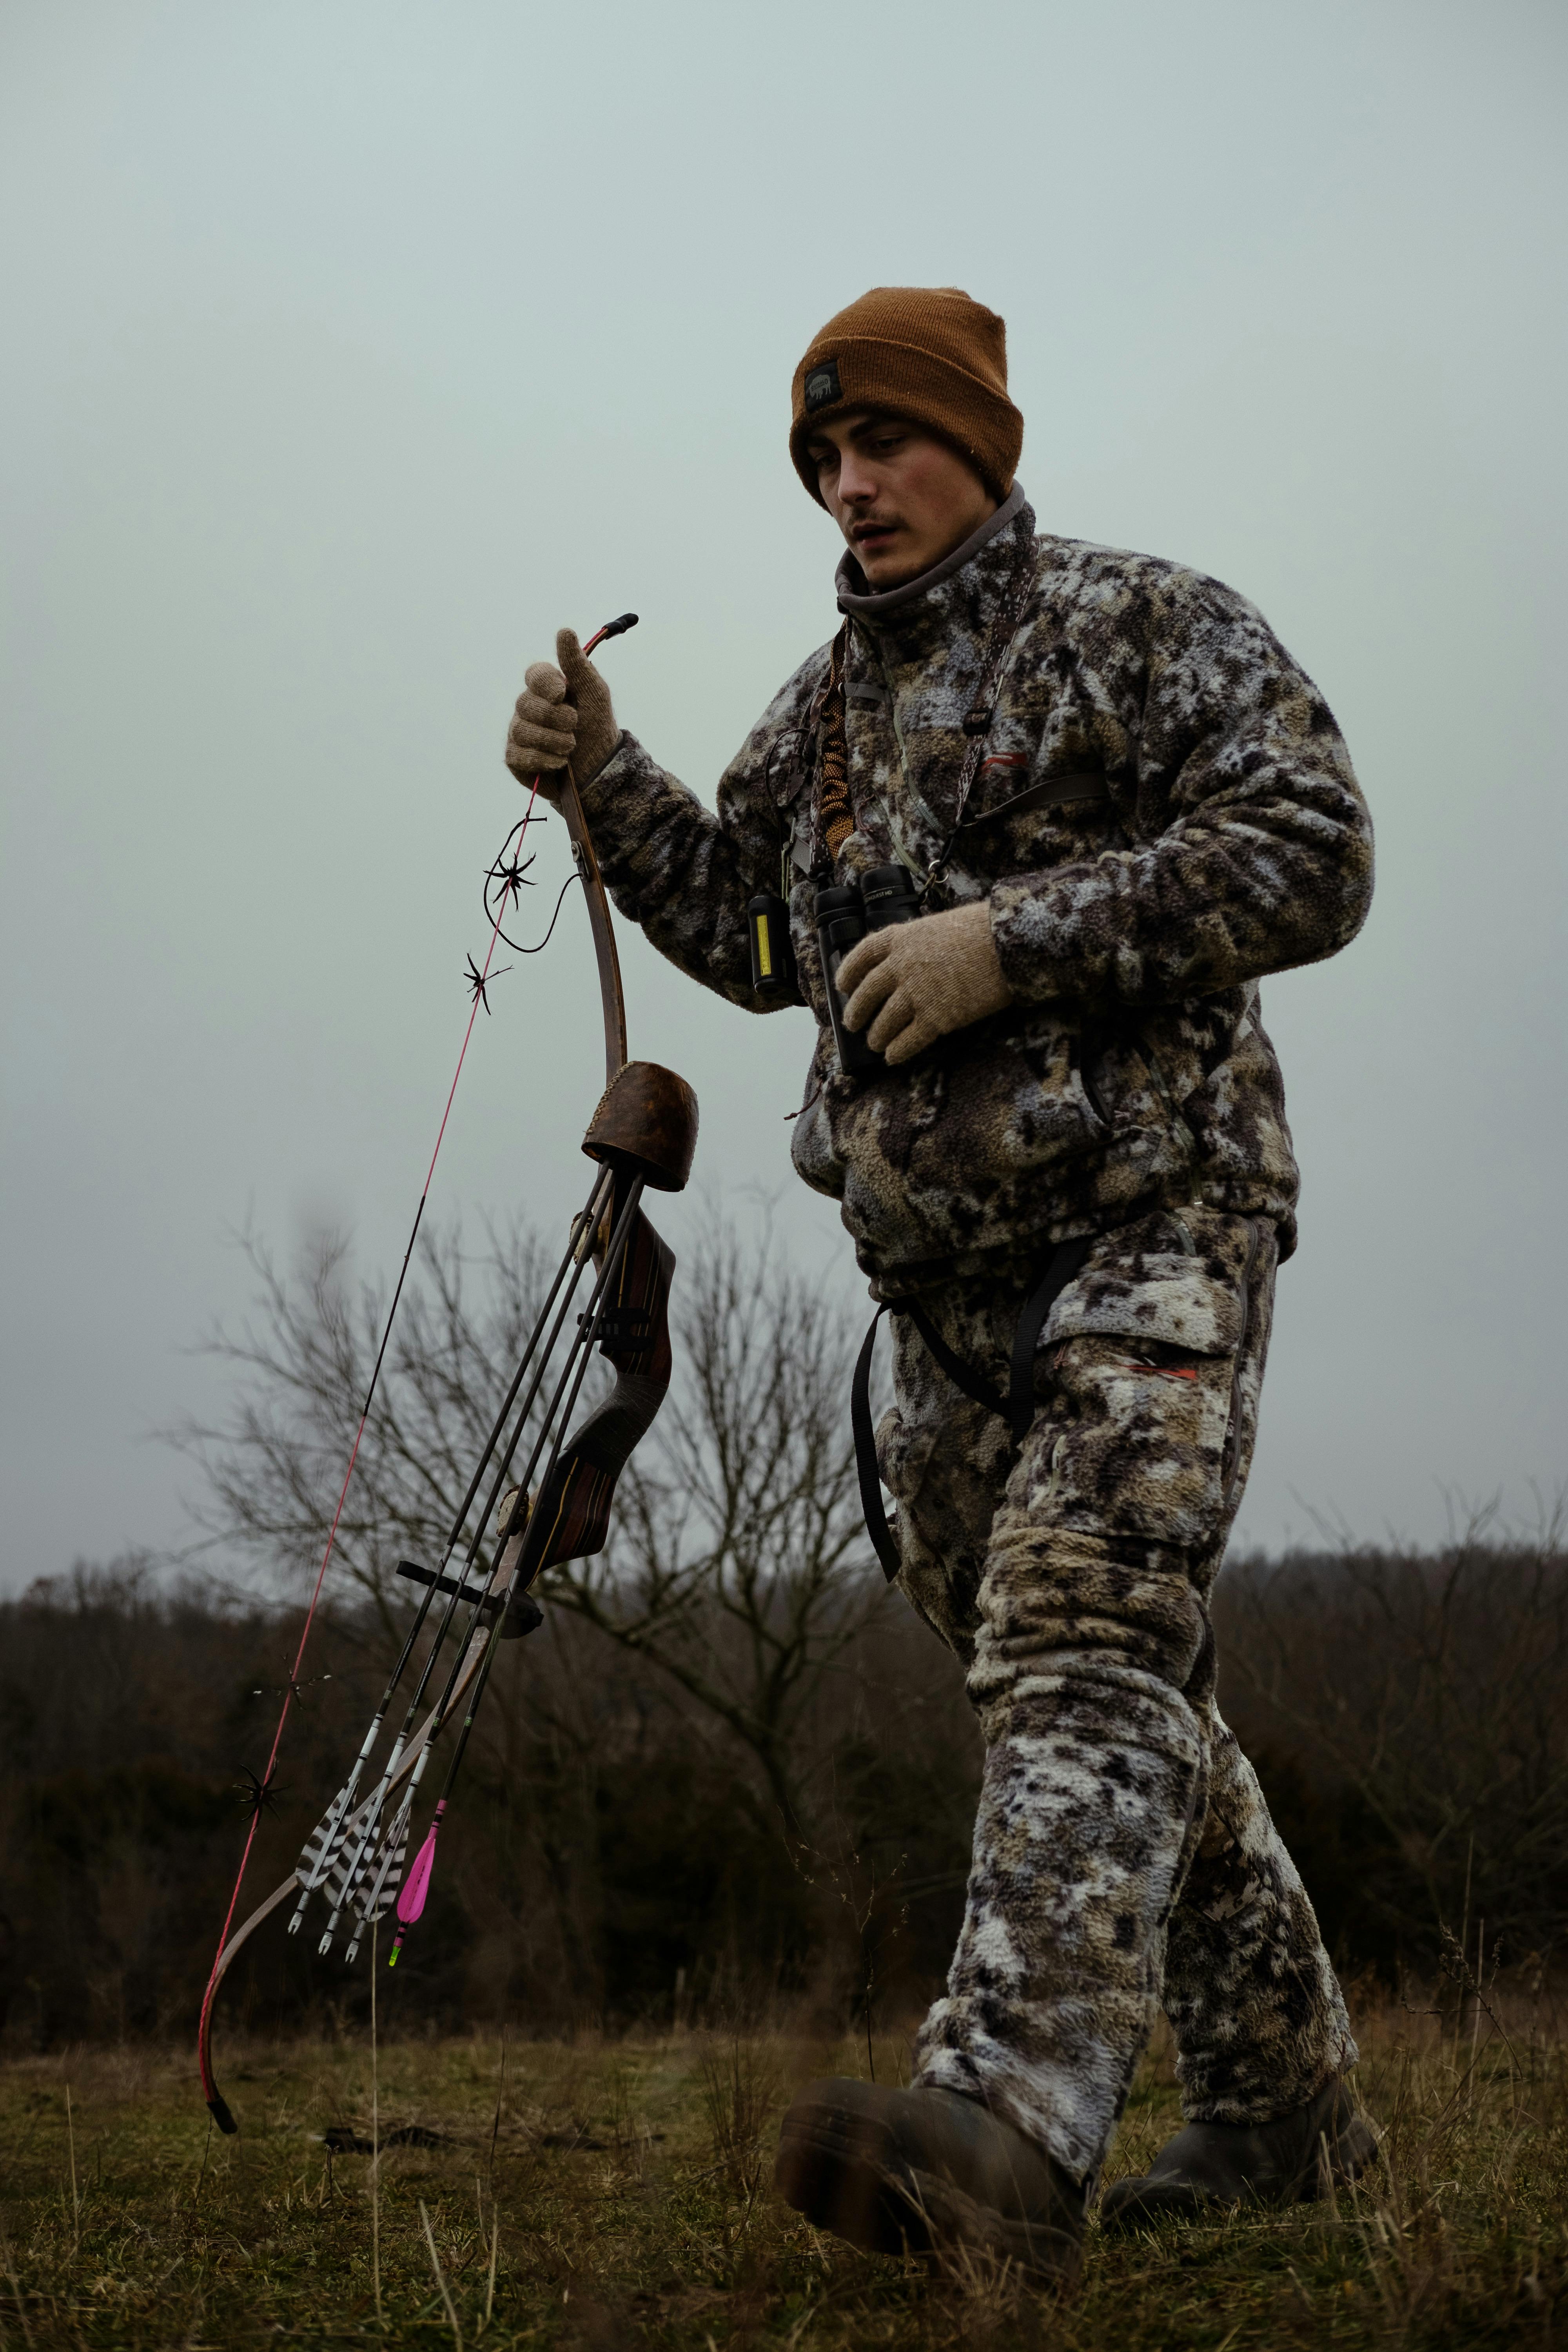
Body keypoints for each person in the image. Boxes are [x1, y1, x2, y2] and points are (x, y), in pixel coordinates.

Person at [505, 285, 1376, 2281]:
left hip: (1153, 1223)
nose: (848, 481)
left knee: (1082, 1629)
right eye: (820, 455)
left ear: (974, 437)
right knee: (1099, 1693)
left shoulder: (1141, 625)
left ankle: (1002, 2128)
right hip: (940, 1316)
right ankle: (1283, 2117)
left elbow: (1313, 846)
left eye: (881, 440)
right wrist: (606, 778)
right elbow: (746, 939)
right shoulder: (812, 725)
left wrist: (1016, 940)